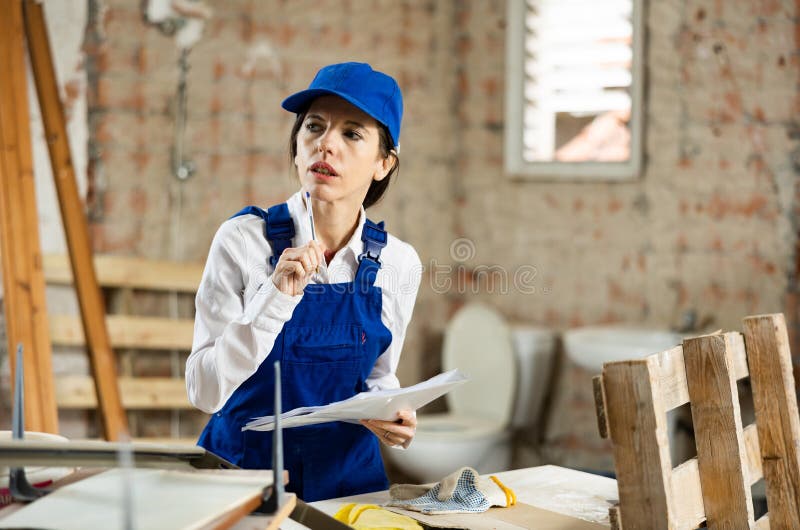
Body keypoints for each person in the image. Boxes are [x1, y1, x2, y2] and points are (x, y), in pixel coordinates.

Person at [185, 62, 422, 502]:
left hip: (349, 488)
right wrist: (274, 298)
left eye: (352, 134)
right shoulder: (242, 241)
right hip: (239, 481)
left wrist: (393, 412)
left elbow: (378, 377)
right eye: (314, 126)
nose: (326, 143)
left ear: (384, 164)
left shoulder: (399, 262)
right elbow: (203, 390)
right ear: (296, 145)